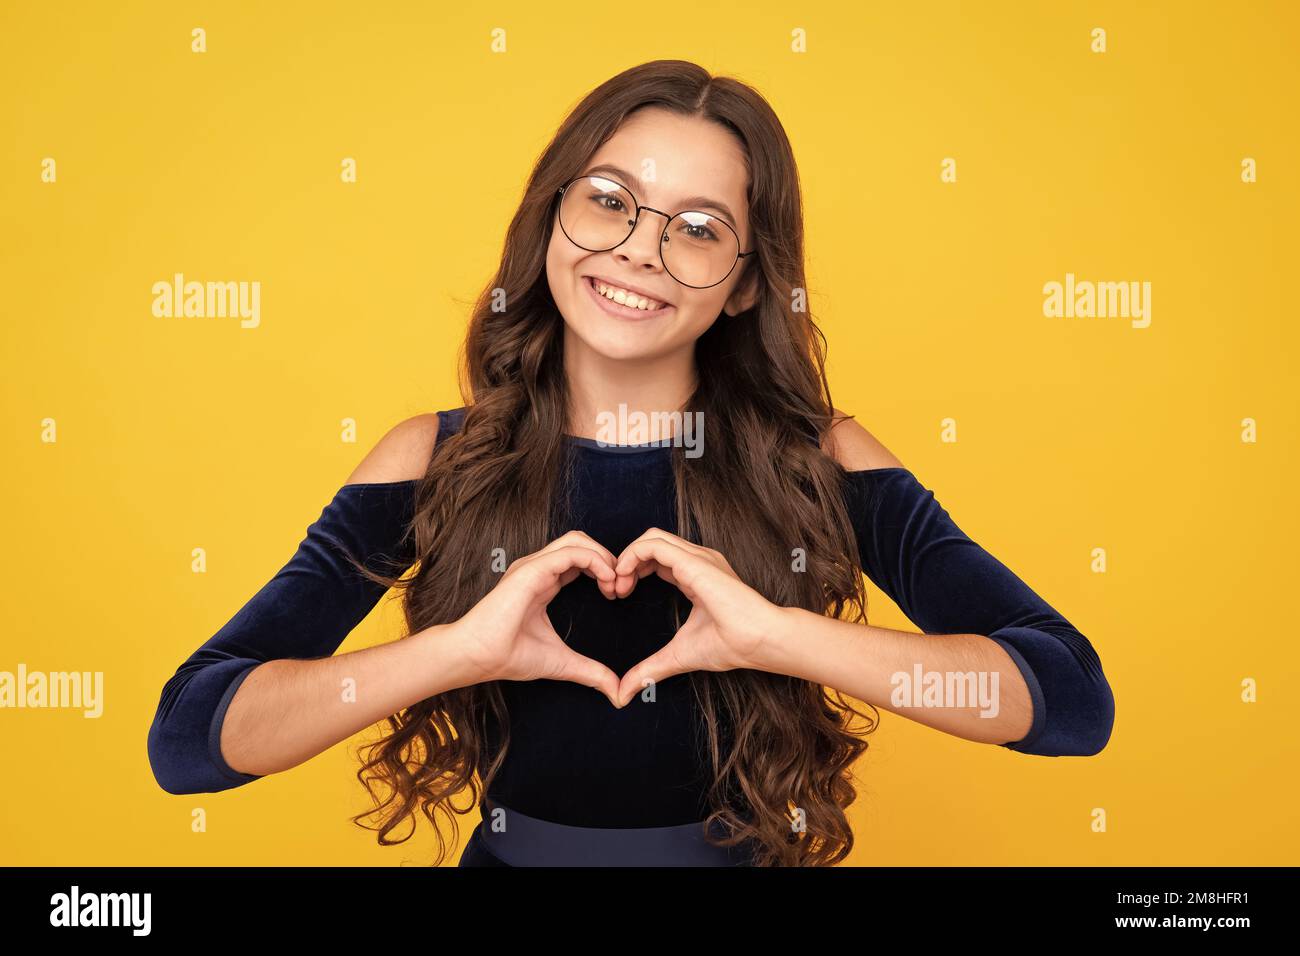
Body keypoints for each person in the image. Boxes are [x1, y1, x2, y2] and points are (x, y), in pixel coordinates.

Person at [147, 60, 1115, 867]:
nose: (639, 250)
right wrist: (458, 651)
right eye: (611, 201)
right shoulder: (431, 458)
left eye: (698, 228)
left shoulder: (815, 459)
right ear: (551, 217)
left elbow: (1067, 699)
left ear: (744, 285)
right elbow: (191, 736)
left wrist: (775, 635)